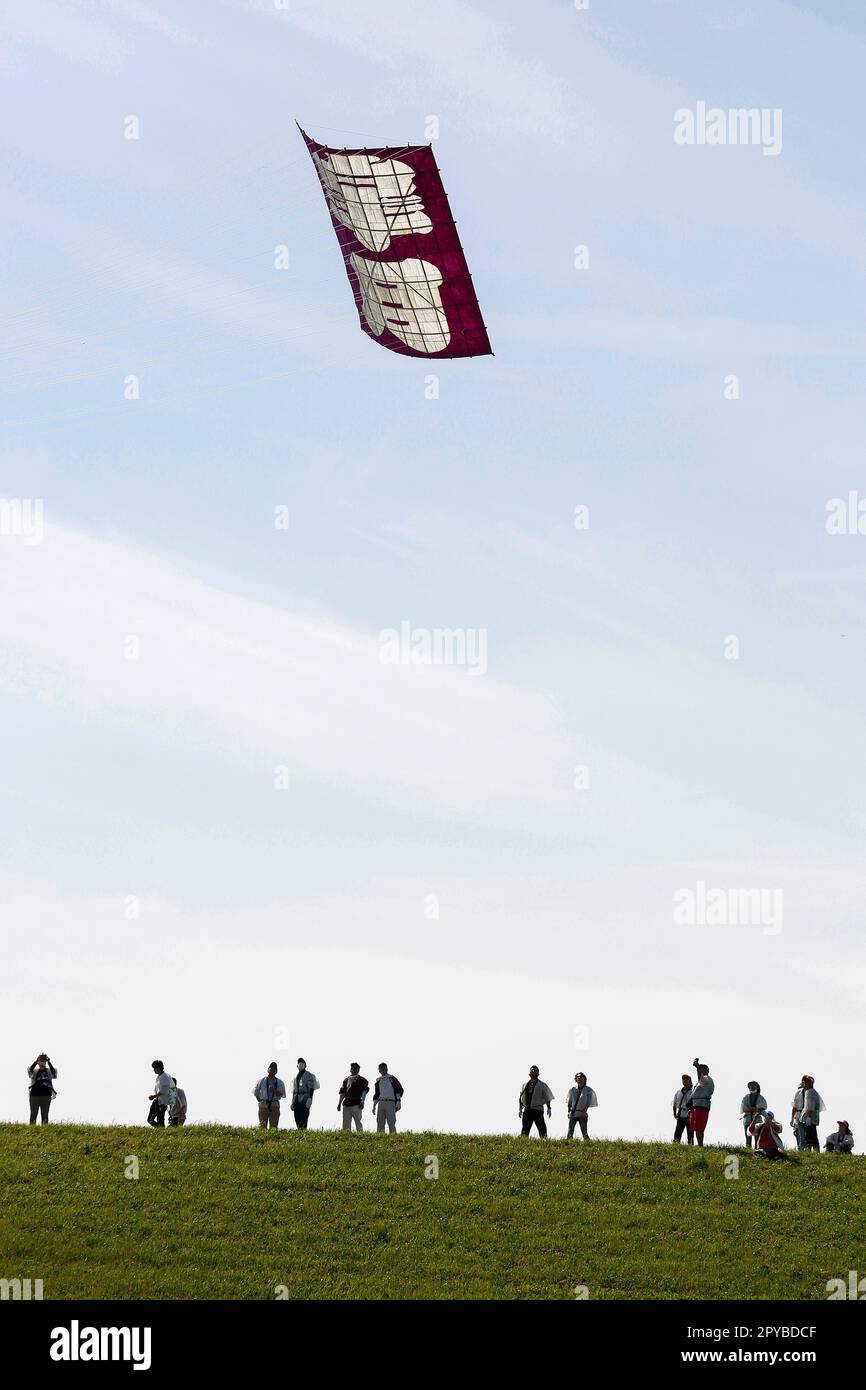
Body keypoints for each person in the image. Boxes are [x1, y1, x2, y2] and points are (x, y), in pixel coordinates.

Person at [791, 1074, 824, 1152]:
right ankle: (802, 1151)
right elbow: (795, 1106)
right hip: (800, 1115)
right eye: (803, 1081)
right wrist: (792, 1118)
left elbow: (812, 1106)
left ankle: (815, 1151)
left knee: (811, 1135)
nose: (804, 1083)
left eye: (806, 1081)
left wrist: (809, 1117)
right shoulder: (798, 1092)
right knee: (802, 1135)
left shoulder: (812, 1092)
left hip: (810, 1117)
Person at [519, 1065, 553, 1138]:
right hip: (527, 1110)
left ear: (538, 1073)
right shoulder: (525, 1085)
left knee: (542, 1128)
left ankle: (544, 1140)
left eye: (535, 1070)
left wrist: (549, 1108)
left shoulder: (542, 1085)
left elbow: (547, 1097)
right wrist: (520, 1109)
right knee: (525, 1128)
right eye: (532, 1070)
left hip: (538, 1110)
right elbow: (521, 1097)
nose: (533, 1071)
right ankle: (523, 1142)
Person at [688, 1058, 714, 1147]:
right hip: (695, 1105)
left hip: (702, 1105)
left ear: (706, 1070)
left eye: (702, 1069)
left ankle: (700, 1145)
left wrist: (697, 1067)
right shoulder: (698, 1083)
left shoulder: (707, 1079)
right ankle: (699, 1144)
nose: (700, 1071)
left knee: (699, 1127)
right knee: (695, 1127)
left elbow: (701, 1079)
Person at [372, 1063, 404, 1133]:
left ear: (387, 1069)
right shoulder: (378, 1080)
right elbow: (377, 1093)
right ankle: (380, 1138)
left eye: (384, 1068)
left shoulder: (392, 1078)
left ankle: (393, 1137)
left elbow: (399, 1089)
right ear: (379, 1070)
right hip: (381, 1102)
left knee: (391, 1122)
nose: (383, 1069)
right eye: (381, 1068)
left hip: (390, 1102)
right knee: (380, 1122)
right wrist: (374, 1105)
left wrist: (398, 1101)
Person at [27, 1053, 57, 1125]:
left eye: (43, 1061)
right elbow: (29, 1071)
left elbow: (54, 1074)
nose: (42, 1063)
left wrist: (49, 1062)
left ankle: (44, 1130)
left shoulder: (49, 1071)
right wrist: (35, 1062)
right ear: (38, 1062)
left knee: (45, 1114)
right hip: (34, 1095)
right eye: (40, 1061)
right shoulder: (35, 1071)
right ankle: (32, 1130)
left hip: (46, 1095)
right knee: (33, 1114)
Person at [254, 1062, 286, 1129]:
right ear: (268, 1069)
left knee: (273, 1127)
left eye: (274, 1069)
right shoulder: (262, 1080)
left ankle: (273, 1138)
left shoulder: (279, 1082)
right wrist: (258, 1098)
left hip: (274, 1105)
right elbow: (256, 1090)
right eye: (271, 1068)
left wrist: (274, 1090)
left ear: (276, 1071)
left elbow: (282, 1094)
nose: (272, 1070)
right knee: (262, 1126)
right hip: (263, 1105)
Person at [338, 1063, 369, 1132]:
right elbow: (343, 1092)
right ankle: (346, 1135)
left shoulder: (362, 1080)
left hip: (356, 1103)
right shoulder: (346, 1080)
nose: (353, 1069)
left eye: (355, 1068)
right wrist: (339, 1103)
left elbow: (364, 1092)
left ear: (358, 1069)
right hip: (346, 1103)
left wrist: (362, 1102)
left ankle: (360, 1135)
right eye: (352, 1068)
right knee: (346, 1122)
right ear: (350, 1069)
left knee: (358, 1121)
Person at [566, 1072, 597, 1140]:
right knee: (569, 1132)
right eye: (577, 1077)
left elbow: (588, 1103)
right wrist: (569, 1112)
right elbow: (569, 1102)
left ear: (584, 1079)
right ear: (575, 1079)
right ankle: (568, 1145)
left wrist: (584, 1112)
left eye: (581, 1077)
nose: (579, 1078)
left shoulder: (588, 1090)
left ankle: (588, 1145)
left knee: (584, 1133)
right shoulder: (572, 1089)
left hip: (582, 1113)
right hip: (573, 1113)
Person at [291, 1058, 320, 1129]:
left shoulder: (309, 1075)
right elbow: (294, 1090)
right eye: (299, 1063)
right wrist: (292, 1102)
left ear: (305, 1065)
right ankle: (299, 1132)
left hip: (305, 1099)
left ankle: (304, 1132)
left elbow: (311, 1088)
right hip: (297, 1099)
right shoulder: (296, 1077)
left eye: (302, 1062)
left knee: (304, 1118)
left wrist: (310, 1098)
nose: (300, 1064)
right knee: (297, 1117)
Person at [740, 1081, 767, 1148]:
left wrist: (751, 1109)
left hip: (757, 1119)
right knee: (748, 1138)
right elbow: (744, 1108)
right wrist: (755, 1109)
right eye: (750, 1086)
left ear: (757, 1087)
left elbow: (762, 1108)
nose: (751, 1087)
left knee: (757, 1138)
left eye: (753, 1085)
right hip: (747, 1119)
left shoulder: (761, 1098)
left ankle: (757, 1152)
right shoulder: (746, 1097)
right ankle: (748, 1152)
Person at [147, 1060, 172, 1127]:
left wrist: (153, 1096)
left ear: (158, 1068)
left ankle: (161, 1131)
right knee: (150, 1119)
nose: (153, 1070)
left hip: (163, 1102)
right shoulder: (160, 1076)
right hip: (158, 1101)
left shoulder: (164, 1076)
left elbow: (164, 1090)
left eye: (154, 1068)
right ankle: (159, 1130)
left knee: (160, 1120)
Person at [672, 1073, 694, 1144]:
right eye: (683, 1080)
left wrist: (690, 1114)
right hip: (680, 1114)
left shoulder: (692, 1092)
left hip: (689, 1114)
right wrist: (674, 1113)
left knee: (690, 1134)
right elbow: (674, 1103)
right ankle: (675, 1145)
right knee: (677, 1134)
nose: (684, 1081)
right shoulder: (678, 1092)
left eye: (686, 1080)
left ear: (690, 1081)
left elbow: (693, 1104)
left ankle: (690, 1147)